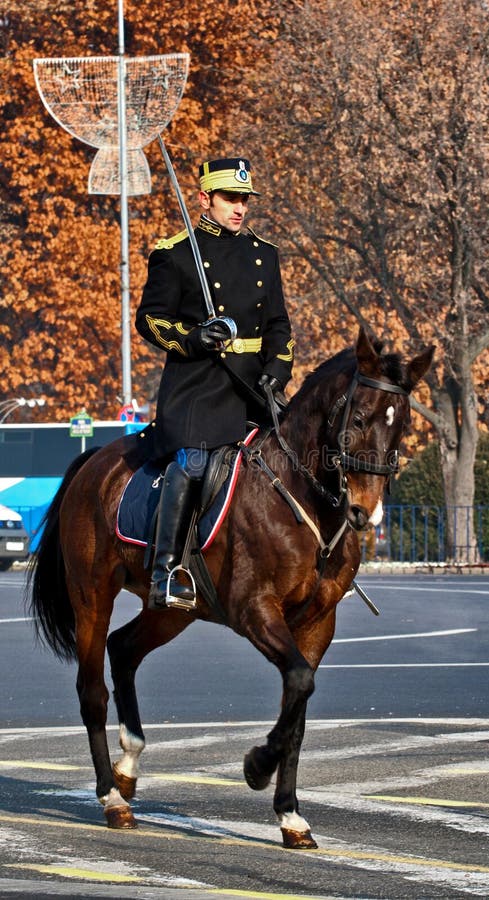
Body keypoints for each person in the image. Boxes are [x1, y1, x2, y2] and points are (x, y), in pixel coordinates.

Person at [135, 156, 294, 609]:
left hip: (255, 387)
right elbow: (149, 320)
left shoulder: (265, 254)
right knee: (193, 463)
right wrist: (194, 337)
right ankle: (167, 572)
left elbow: (279, 325)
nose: (240, 207)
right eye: (230, 198)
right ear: (205, 199)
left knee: (305, 454)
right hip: (199, 386)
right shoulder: (175, 253)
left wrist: (277, 370)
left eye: (245, 199)